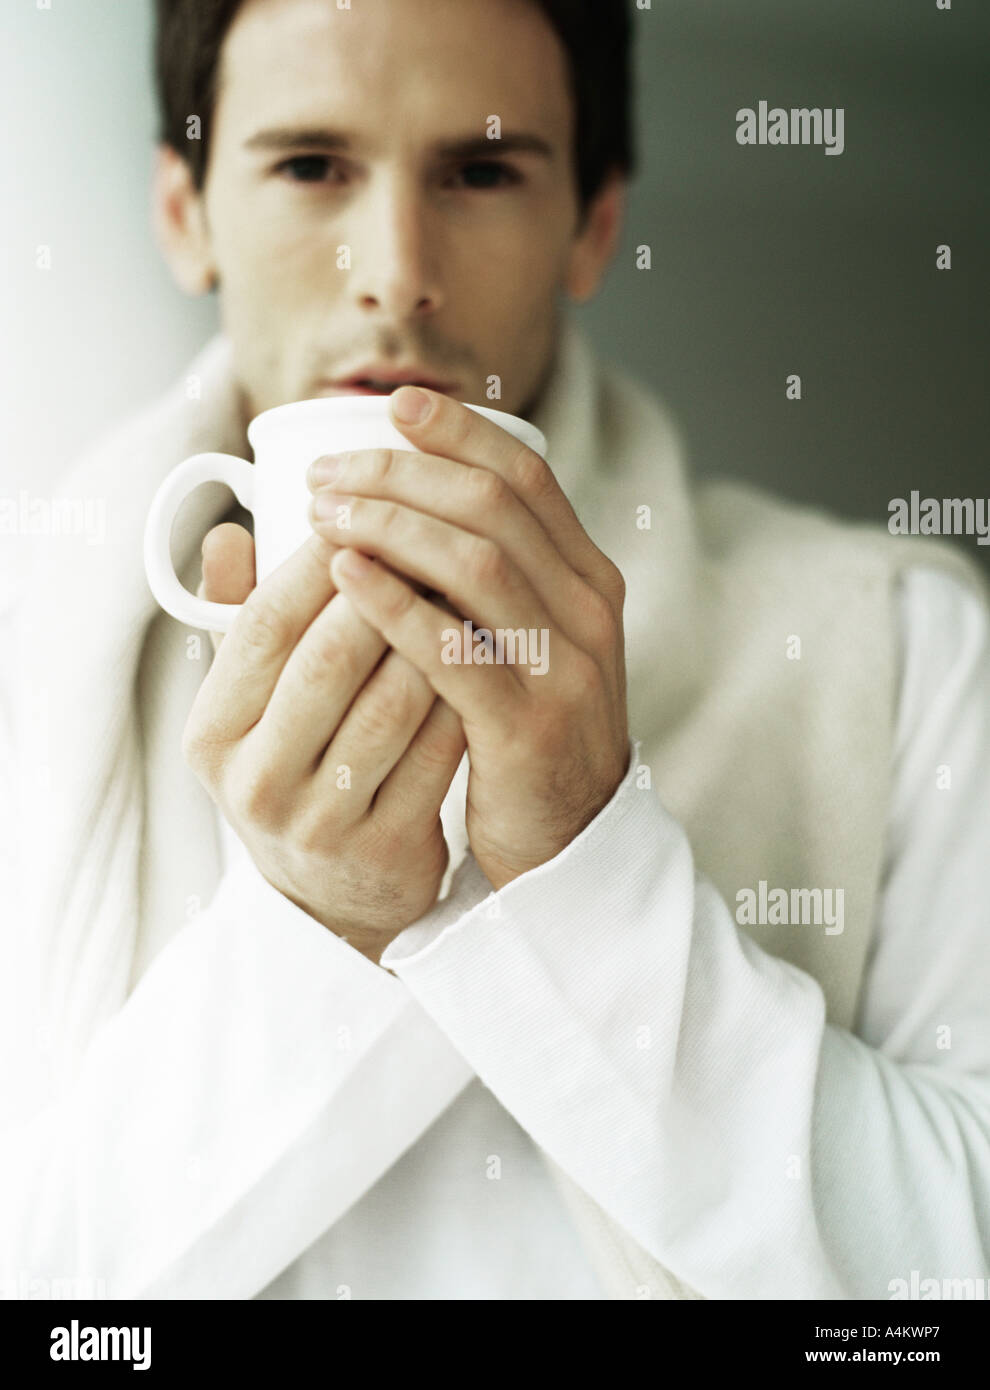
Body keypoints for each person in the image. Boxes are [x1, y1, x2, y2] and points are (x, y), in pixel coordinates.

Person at [2, 0, 988, 1302]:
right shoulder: (33, 654)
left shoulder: (907, 651)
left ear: (591, 224)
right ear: (182, 210)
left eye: (478, 170)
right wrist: (311, 931)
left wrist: (588, 870)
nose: (395, 268)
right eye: (310, 166)